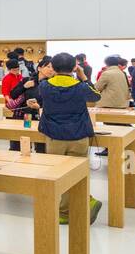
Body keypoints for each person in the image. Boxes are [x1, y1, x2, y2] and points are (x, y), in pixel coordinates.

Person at [34, 53, 102, 225]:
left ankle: (66, 211)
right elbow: (96, 97)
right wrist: (84, 77)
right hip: (78, 135)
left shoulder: (45, 86)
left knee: (57, 175)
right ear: (74, 68)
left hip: (54, 136)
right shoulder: (80, 87)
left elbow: (42, 84)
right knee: (78, 173)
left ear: (54, 68)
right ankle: (84, 200)